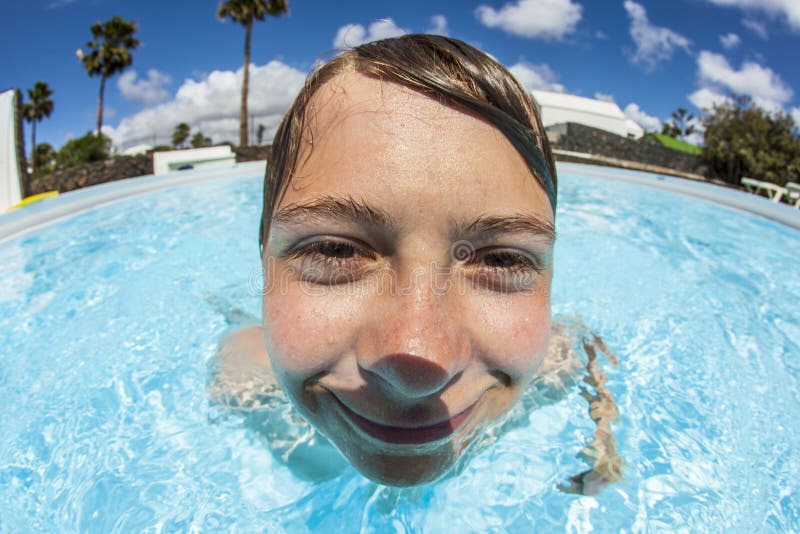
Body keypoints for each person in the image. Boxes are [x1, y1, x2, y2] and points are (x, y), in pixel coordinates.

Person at [209, 34, 621, 490]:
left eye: (503, 259)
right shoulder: (243, 379)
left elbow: (585, 344)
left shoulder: (554, 361)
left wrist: (604, 438)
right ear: (263, 256)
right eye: (335, 250)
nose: (419, 365)